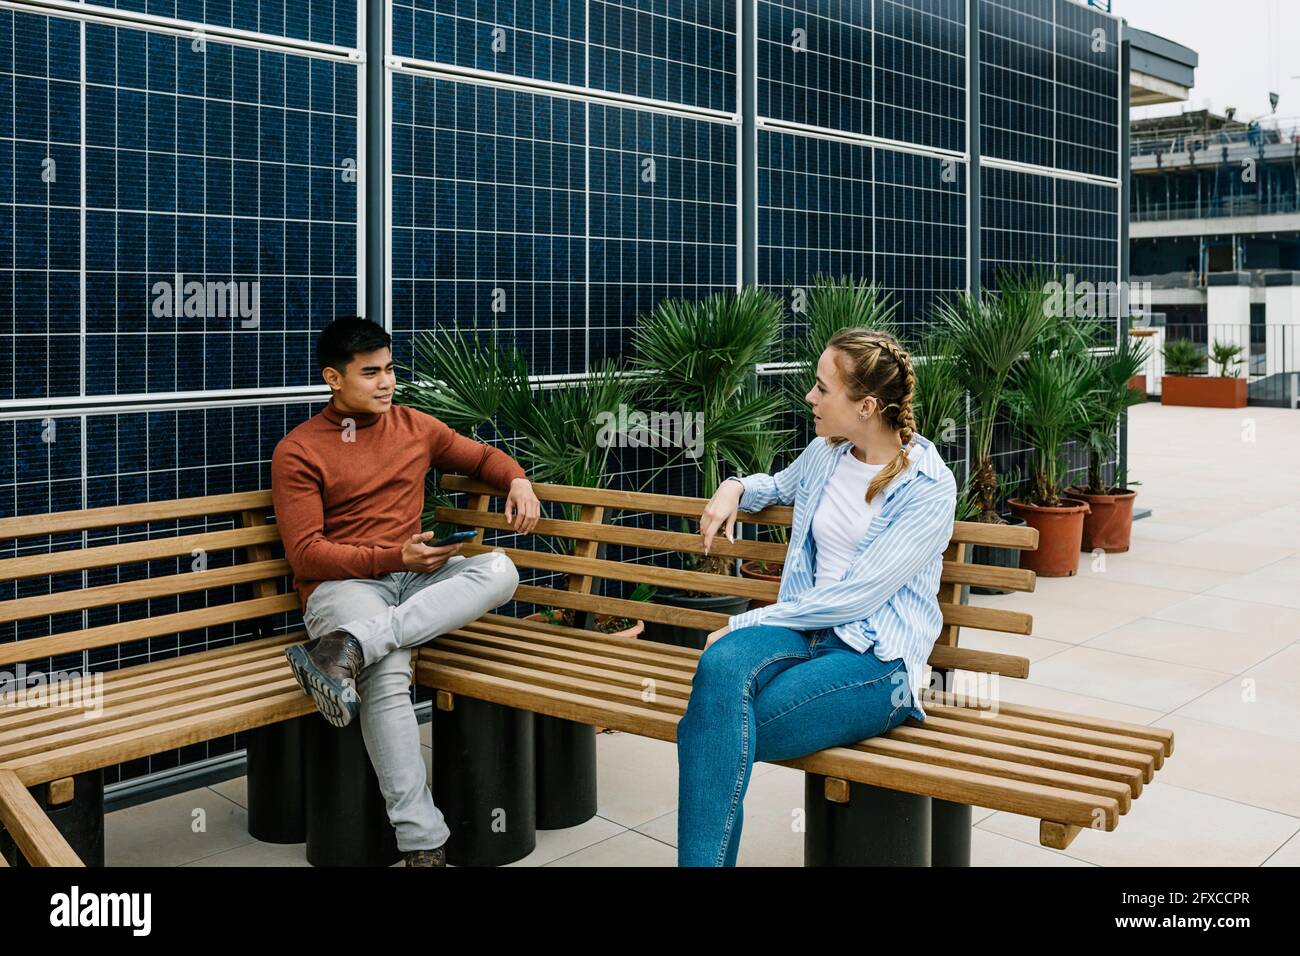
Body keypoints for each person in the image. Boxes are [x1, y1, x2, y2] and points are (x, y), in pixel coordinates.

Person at [676, 328, 956, 867]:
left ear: (867, 405)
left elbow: (855, 598)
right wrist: (734, 486)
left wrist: (743, 623)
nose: (810, 396)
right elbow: (778, 486)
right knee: (718, 671)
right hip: (803, 631)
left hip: (876, 662)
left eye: (823, 389)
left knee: (713, 727)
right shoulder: (826, 454)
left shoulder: (928, 489)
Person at [271, 316, 541, 867]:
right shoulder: (298, 451)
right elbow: (307, 554)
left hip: (413, 580)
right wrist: (395, 556)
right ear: (333, 378)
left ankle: (347, 647)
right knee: (389, 673)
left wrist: (517, 479)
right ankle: (424, 845)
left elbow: (483, 457)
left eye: (390, 369)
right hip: (344, 587)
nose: (386, 382)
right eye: (370, 373)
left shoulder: (415, 425)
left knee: (499, 572)